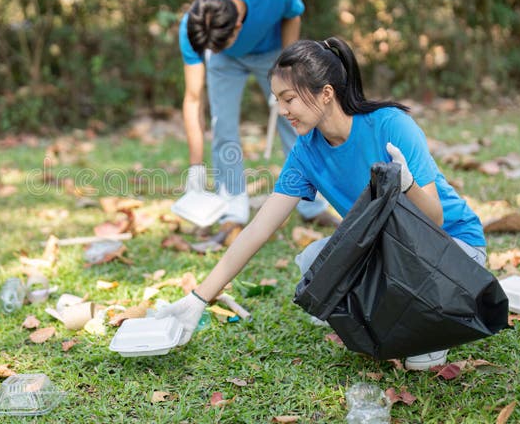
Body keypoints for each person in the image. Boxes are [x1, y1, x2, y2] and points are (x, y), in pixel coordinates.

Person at [157, 37, 488, 371]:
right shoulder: (305, 154)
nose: (282, 111)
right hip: (393, 252)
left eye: (289, 99)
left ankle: (443, 313)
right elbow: (258, 230)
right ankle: (398, 317)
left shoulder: (389, 125)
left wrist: (408, 185)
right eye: (277, 101)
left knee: (418, 362)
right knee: (315, 263)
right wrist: (199, 299)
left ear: (326, 93)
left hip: (454, 250)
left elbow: (435, 217)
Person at [179, 0, 338, 226]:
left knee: (297, 120)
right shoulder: (196, 27)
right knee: (224, 126)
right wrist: (196, 167)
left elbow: (293, 13)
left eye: (218, 45)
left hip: (271, 52)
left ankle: (313, 206)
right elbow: (193, 98)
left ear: (239, 27)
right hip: (225, 64)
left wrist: (287, 71)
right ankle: (232, 208)